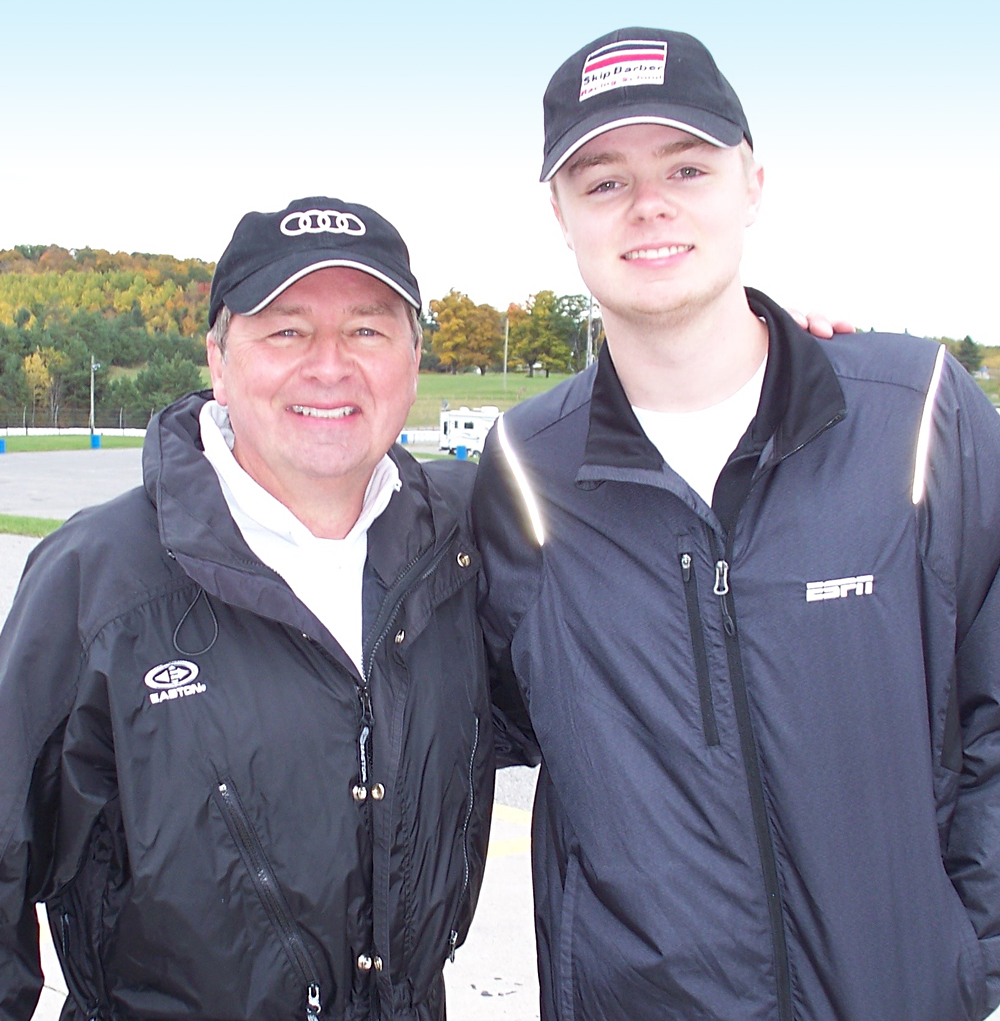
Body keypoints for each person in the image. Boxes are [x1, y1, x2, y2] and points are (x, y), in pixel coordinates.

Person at [473, 27, 1000, 1021]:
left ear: (753, 182)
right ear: (560, 215)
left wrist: (963, 960)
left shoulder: (916, 414)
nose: (649, 205)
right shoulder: (521, 474)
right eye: (602, 182)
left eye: (687, 165)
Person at [0, 197, 494, 1021]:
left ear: (414, 360)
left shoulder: (465, 553)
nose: (329, 366)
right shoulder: (97, 582)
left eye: (368, 330)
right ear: (219, 363)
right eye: (286, 331)